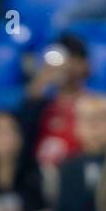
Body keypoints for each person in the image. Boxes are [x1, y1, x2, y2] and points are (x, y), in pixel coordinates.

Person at [20, 33, 91, 167]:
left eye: (68, 59)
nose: (60, 65)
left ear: (83, 64)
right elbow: (21, 141)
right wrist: (38, 87)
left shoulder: (94, 106)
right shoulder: (40, 105)